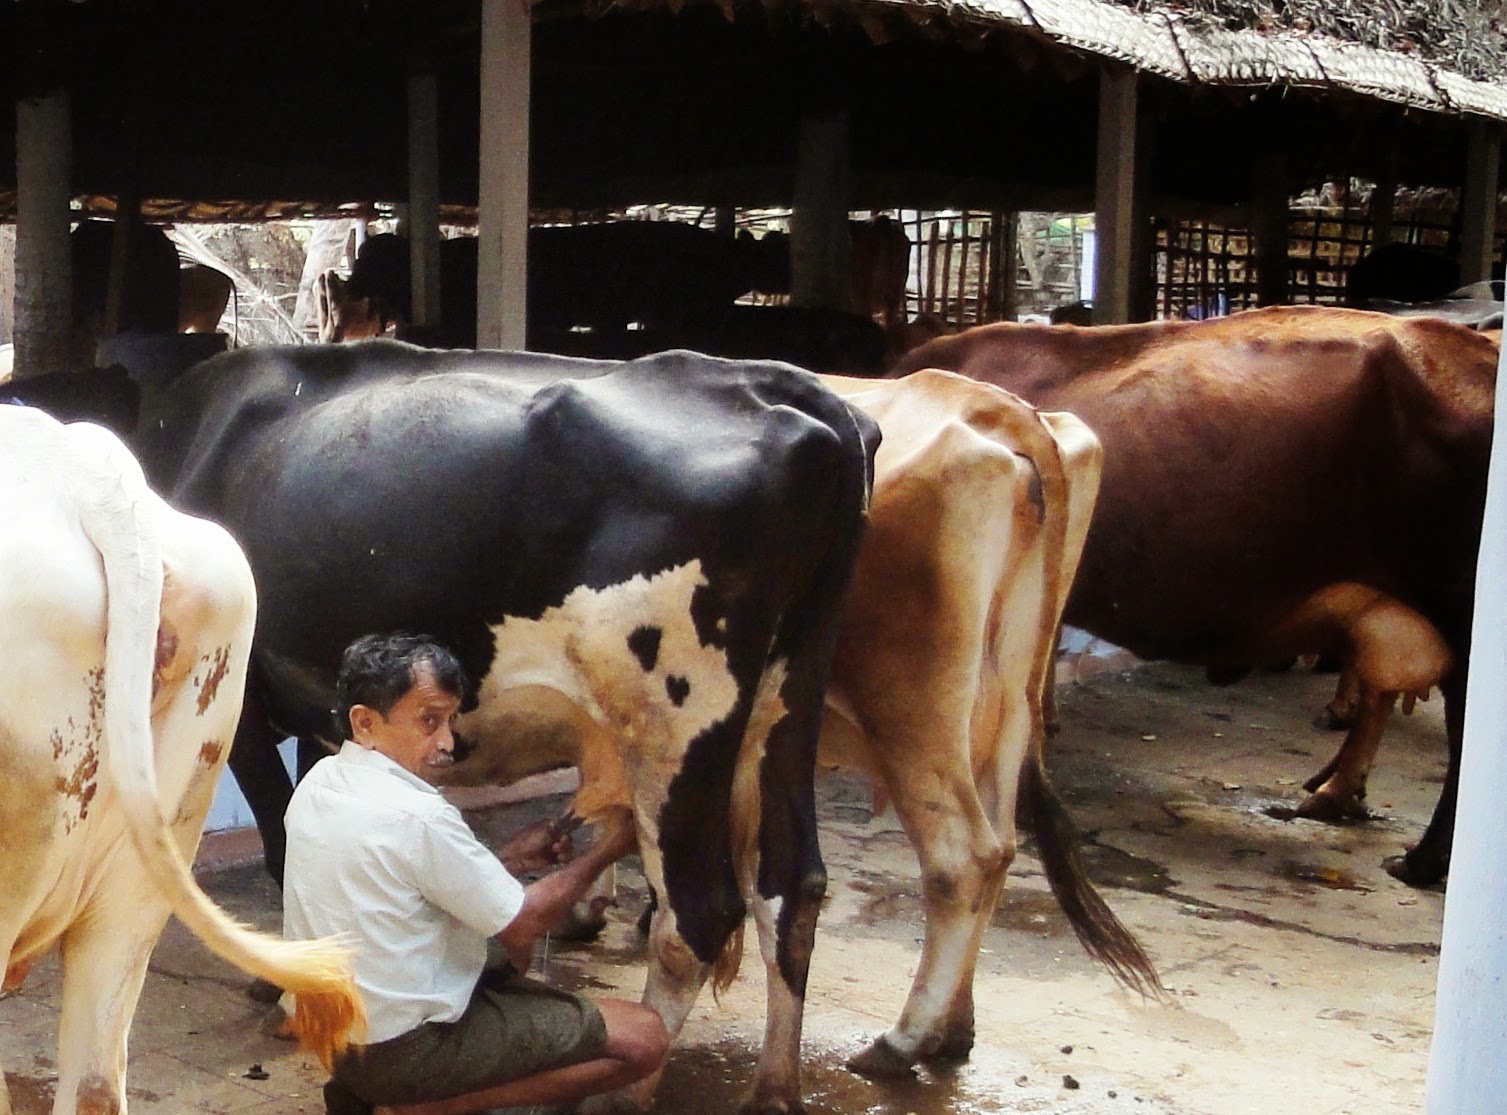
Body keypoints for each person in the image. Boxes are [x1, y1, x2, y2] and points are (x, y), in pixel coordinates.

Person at [283, 631, 667, 1115]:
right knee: (644, 1036)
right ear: (365, 723)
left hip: (335, 1037)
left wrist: (511, 859)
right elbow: (524, 919)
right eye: (428, 721)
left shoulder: (318, 784)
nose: (446, 742)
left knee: (502, 951)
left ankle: (372, 1090)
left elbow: (410, 876)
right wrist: (608, 850)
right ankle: (423, 1104)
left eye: (448, 720)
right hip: (397, 1053)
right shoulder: (418, 815)